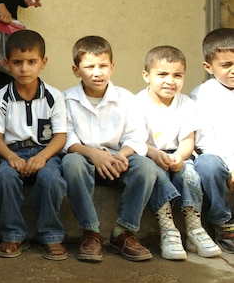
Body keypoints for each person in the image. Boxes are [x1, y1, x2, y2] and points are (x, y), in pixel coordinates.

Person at [60, 36, 178, 262]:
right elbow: (67, 137)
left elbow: (136, 136)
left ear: (112, 67)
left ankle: (123, 232)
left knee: (145, 167)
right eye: (89, 67)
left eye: (103, 65)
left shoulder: (126, 98)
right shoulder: (66, 99)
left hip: (117, 161)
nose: (98, 72)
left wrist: (121, 156)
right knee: (70, 162)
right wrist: (94, 154)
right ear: (76, 70)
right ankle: (91, 232)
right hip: (85, 159)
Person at [136, 46, 220, 259]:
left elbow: (188, 140)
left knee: (190, 173)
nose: (170, 81)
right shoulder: (137, 103)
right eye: (162, 74)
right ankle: (168, 228)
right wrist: (155, 155)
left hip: (178, 153)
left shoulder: (187, 104)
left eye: (177, 75)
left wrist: (180, 157)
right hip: (148, 154)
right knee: (157, 174)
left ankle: (194, 227)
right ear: (147, 76)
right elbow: (137, 140)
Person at [0, 31, 68, 260]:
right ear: (7, 64)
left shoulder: (54, 96)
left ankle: (51, 237)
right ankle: (14, 235)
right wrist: (11, 157)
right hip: (12, 152)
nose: (24, 68)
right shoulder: (0, 98)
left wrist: (43, 157)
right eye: (17, 62)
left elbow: (60, 137)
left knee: (51, 179)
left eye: (31, 62)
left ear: (43, 63)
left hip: (46, 153)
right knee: (4, 177)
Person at [191, 28, 234, 253]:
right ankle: (223, 222)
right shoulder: (202, 94)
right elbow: (205, 139)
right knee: (206, 164)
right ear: (208, 67)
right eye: (226, 65)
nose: (233, 70)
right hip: (220, 160)